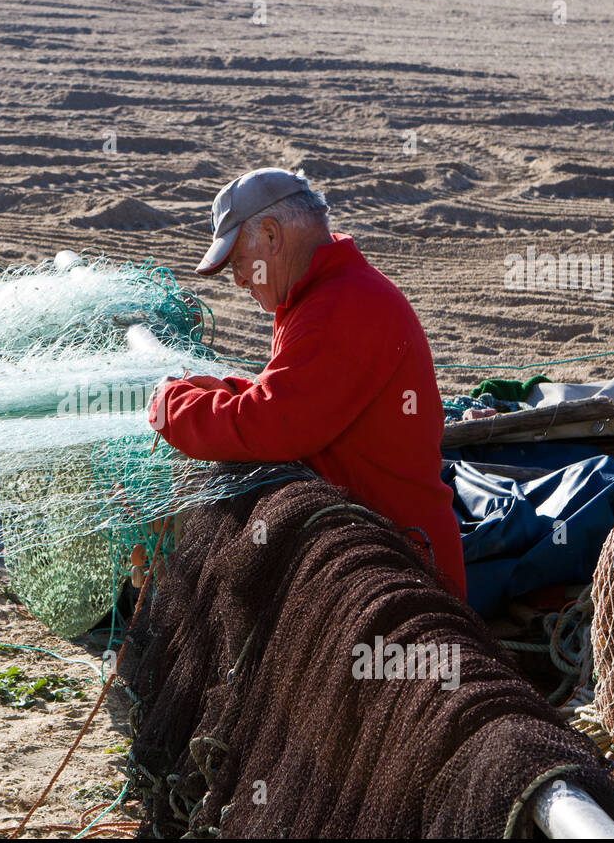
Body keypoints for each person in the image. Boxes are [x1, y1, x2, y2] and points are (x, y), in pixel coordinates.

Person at [148, 167, 467, 599]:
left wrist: (172, 407)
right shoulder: (326, 292)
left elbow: (272, 424)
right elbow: (288, 396)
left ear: (272, 236)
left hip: (398, 577)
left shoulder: (341, 306)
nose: (240, 280)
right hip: (368, 553)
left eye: (238, 262)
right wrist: (220, 391)